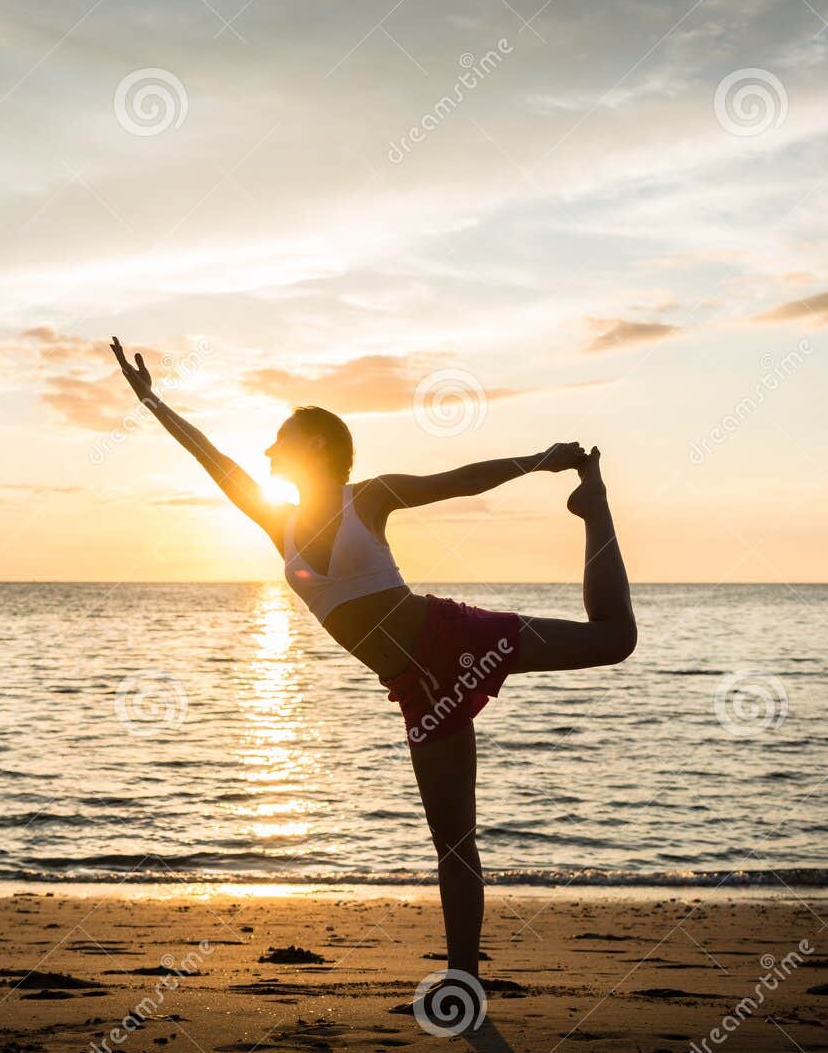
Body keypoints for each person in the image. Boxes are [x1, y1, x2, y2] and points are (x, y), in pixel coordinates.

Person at [109, 337, 636, 1016]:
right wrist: (152, 400)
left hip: (455, 637)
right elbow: (214, 460)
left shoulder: (370, 498)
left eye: (279, 441)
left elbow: (461, 478)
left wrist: (543, 461)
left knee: (613, 638)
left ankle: (594, 510)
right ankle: (463, 982)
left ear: (316, 451)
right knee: (454, 840)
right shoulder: (281, 526)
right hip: (419, 691)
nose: (267, 453)